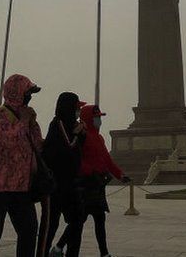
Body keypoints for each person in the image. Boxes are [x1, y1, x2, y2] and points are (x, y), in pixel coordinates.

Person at [0, 74, 43, 257]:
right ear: (16, 92)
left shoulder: (26, 116)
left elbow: (36, 146)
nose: (30, 97)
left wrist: (33, 124)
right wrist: (24, 121)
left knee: (29, 230)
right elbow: (10, 140)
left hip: (20, 187)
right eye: (27, 92)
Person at [55, 104, 130, 257]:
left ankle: (104, 253)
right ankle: (58, 247)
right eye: (96, 117)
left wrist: (120, 175)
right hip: (87, 183)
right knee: (79, 220)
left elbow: (107, 160)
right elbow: (77, 159)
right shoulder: (82, 136)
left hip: (98, 184)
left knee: (99, 219)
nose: (98, 120)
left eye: (99, 117)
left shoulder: (99, 137)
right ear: (89, 118)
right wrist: (89, 171)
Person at [42, 92, 87, 257]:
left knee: (78, 220)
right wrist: (77, 134)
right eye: (76, 107)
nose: (78, 111)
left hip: (71, 183)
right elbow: (68, 147)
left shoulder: (70, 124)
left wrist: (81, 134)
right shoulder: (58, 124)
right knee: (50, 226)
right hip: (57, 185)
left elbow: (75, 149)